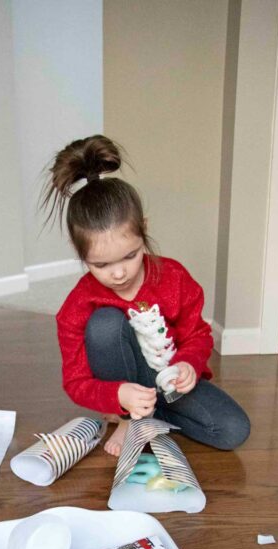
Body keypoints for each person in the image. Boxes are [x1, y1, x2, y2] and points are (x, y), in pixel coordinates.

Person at [42, 135, 250, 456]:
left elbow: (198, 334)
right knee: (104, 324)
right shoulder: (76, 306)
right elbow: (76, 381)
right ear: (79, 252)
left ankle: (153, 415)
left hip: (167, 382)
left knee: (234, 430)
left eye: (129, 255)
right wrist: (119, 395)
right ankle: (129, 418)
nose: (119, 273)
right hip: (124, 388)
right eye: (101, 264)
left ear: (144, 230)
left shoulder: (174, 277)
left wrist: (189, 365)